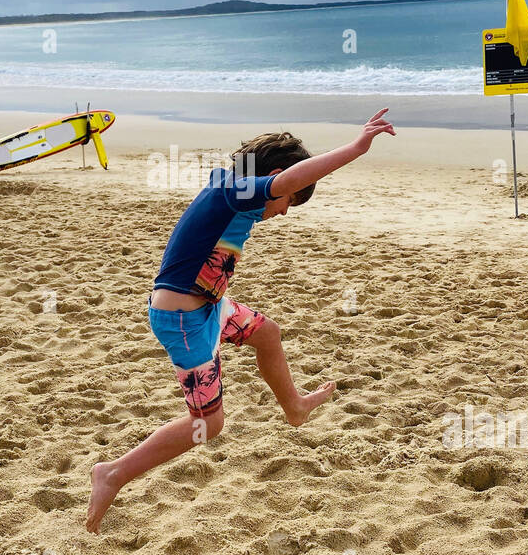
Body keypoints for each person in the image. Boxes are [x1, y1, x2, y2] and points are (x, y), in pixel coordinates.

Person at [86, 111, 396, 531]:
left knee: (266, 333)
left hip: (211, 307)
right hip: (183, 319)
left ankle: (296, 407)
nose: (285, 211)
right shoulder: (235, 190)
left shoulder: (231, 194)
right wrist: (355, 148)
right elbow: (285, 181)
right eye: (289, 201)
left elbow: (280, 188)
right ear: (274, 177)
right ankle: (113, 473)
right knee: (208, 424)